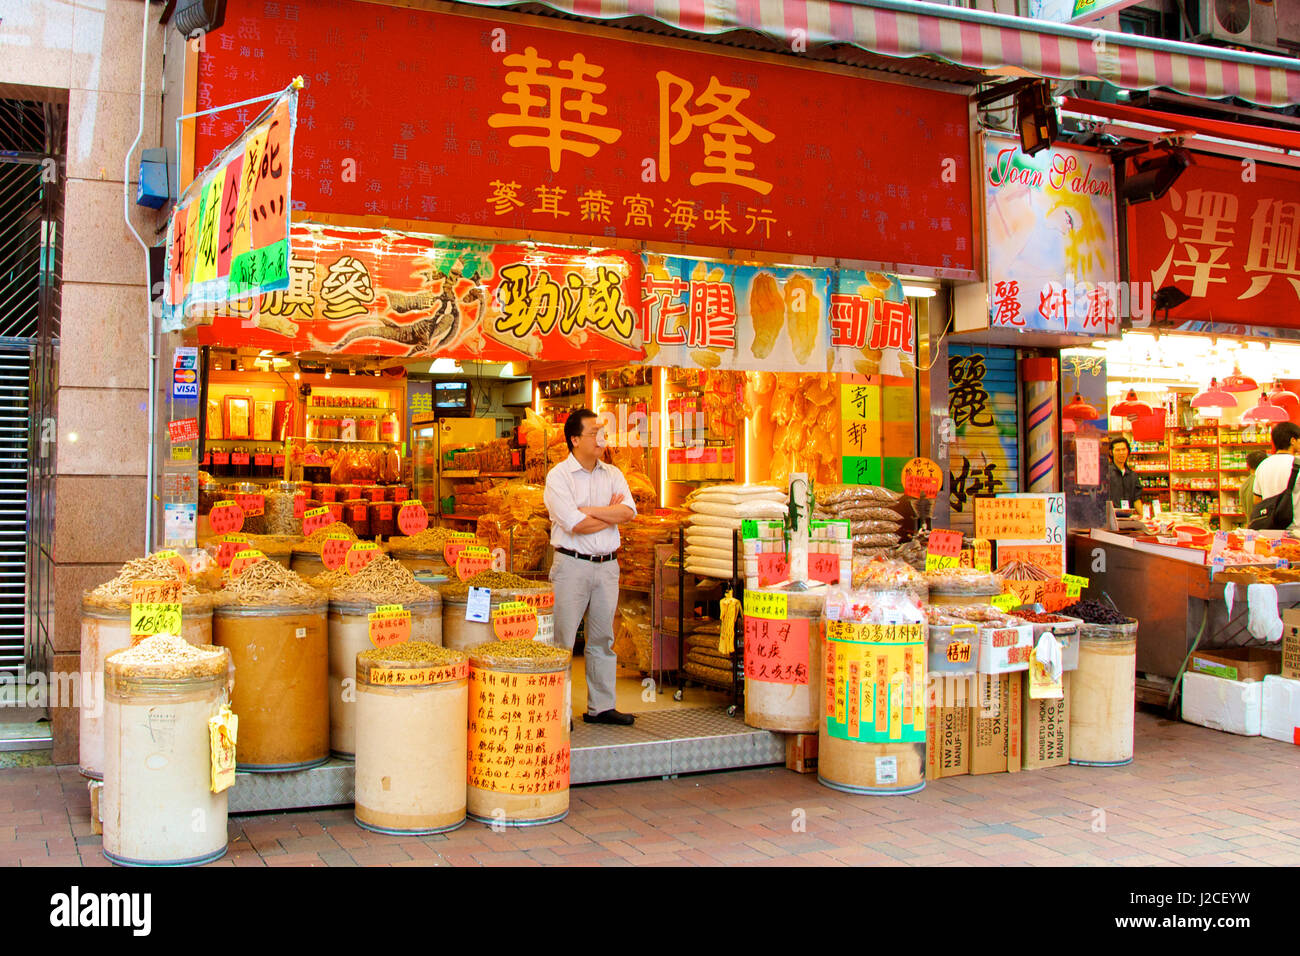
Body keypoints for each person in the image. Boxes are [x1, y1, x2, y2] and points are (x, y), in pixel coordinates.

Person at [543, 408, 638, 726]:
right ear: (574, 439)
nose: (601, 438)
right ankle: (559, 707)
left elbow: (627, 513)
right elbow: (574, 524)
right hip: (572, 566)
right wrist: (606, 514)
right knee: (563, 640)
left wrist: (592, 511)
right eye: (594, 433)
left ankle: (602, 706)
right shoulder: (558, 477)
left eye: (602, 432)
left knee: (602, 638)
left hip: (607, 566)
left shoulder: (613, 474)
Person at [1251, 421, 1300, 531]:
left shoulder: (1262, 465)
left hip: (1270, 528)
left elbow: (1257, 500)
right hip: (1295, 530)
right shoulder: (1298, 463)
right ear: (1292, 441)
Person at [1106, 437, 1143, 509]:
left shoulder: (1133, 475)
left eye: (1123, 449)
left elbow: (1137, 500)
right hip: (1111, 517)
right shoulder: (1106, 473)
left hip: (1129, 517)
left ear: (1128, 451)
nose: (1121, 453)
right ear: (1111, 452)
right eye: (1117, 450)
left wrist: (1145, 517)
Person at [1238, 450, 1269, 518]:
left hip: (1251, 523)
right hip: (1263, 524)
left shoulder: (1244, 484)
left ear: (1247, 466)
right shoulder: (1264, 481)